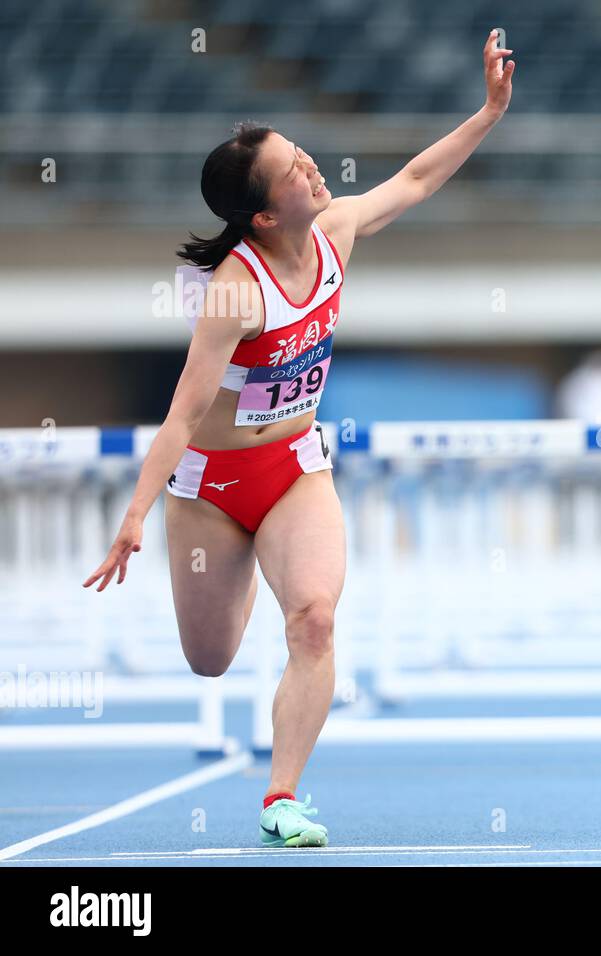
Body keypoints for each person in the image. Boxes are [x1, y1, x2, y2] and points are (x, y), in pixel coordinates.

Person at [82, 31, 515, 848]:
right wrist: (136, 515)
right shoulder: (233, 296)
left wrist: (488, 111)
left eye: (301, 151)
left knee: (314, 620)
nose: (313, 167)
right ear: (264, 213)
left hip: (292, 469)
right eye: (293, 169)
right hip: (209, 491)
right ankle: (239, 572)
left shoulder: (337, 232)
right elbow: (180, 413)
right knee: (210, 659)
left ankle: (281, 797)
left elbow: (417, 180)